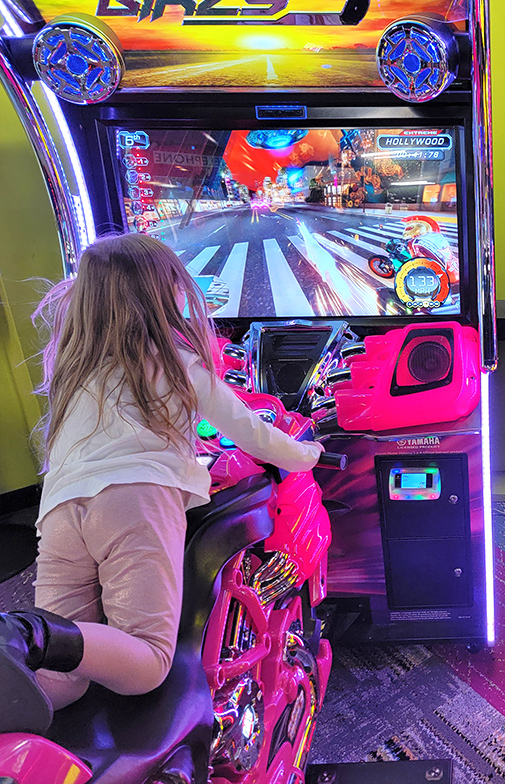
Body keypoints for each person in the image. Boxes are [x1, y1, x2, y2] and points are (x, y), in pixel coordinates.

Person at [0, 233, 323, 734]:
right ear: (158, 296)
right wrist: (308, 453)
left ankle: (29, 642)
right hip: (135, 502)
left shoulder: (74, 366)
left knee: (61, 681)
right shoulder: (176, 363)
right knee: (149, 664)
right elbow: (252, 433)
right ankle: (25, 632)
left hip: (60, 510)